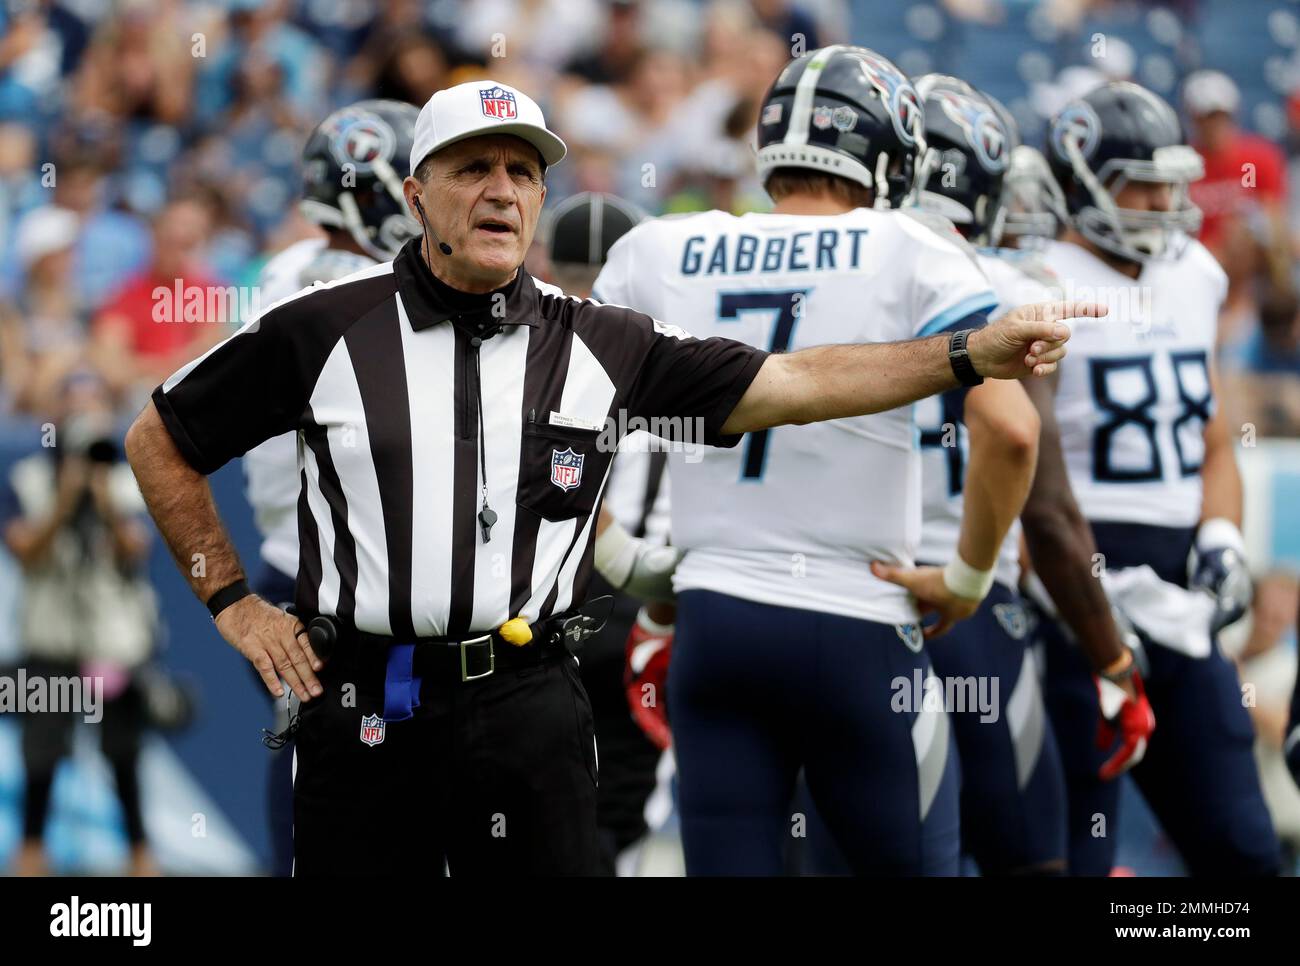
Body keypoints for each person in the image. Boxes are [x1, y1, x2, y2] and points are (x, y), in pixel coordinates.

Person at [124, 76, 1089, 877]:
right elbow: (160, 438)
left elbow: (792, 381)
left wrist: (965, 355)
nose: (502, 190)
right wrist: (234, 601)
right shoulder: (321, 324)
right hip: (368, 695)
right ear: (417, 195)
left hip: (527, 695)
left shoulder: (599, 340)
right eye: (474, 169)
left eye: (522, 171)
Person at [591, 46, 1083, 876]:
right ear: (892, 154)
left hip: (716, 622)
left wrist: (619, 552)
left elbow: (561, 407)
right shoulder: (910, 246)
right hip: (861, 626)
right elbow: (1012, 430)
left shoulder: (660, 248)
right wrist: (965, 577)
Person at [1036, 80, 1281, 876]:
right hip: (1070, 586)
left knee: (1243, 848)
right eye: (1138, 180)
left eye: (1169, 179)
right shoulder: (1033, 282)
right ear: (1083, 184)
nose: (1161, 200)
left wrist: (1220, 537)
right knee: (1075, 851)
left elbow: (1214, 441)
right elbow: (1009, 461)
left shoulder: (1193, 274)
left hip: (1179, 588)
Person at [243, 98, 421, 877]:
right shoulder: (374, 285)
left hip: (292, 558)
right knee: (353, 771)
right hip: (348, 575)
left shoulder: (282, 268)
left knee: (317, 759)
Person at [910, 74, 1068, 875]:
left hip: (862, 590)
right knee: (1030, 849)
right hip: (971, 594)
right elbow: (1026, 454)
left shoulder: (857, 260)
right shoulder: (1002, 288)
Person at [2, 369, 159, 876]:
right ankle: (30, 855)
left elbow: (135, 551)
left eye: (93, 407)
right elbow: (25, 552)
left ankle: (139, 856)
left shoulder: (123, 476)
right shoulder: (27, 475)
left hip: (112, 639)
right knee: (41, 752)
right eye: (75, 407)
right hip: (50, 636)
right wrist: (65, 498)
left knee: (123, 753)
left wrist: (103, 500)